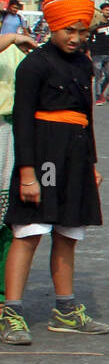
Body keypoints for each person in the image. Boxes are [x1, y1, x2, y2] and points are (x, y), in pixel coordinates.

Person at [0, 0, 108, 344]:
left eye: (82, 31)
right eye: (69, 31)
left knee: (68, 232)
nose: (76, 38)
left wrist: (92, 163)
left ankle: (65, 310)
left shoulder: (83, 64)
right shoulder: (34, 65)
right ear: (52, 26)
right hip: (42, 157)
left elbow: (87, 116)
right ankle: (10, 312)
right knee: (29, 231)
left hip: (75, 157)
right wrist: (27, 173)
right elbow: (23, 120)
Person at [0, 31, 37, 306]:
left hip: (13, 133)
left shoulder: (17, 49)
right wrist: (12, 38)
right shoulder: (10, 42)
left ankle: (3, 296)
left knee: (7, 217)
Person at [88, 2, 109, 104]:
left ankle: (101, 92)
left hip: (108, 53)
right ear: (102, 11)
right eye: (106, 10)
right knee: (98, 76)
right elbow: (89, 37)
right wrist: (89, 51)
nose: (108, 12)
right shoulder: (96, 24)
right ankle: (98, 96)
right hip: (97, 54)